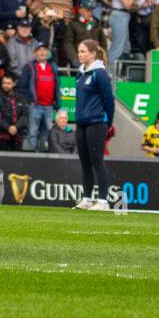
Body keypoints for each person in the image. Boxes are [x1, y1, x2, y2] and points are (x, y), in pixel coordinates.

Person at [72, 39, 115, 210]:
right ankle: (87, 198)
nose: (79, 54)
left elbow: (109, 101)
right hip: (82, 124)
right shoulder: (80, 74)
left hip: (97, 123)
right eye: (79, 51)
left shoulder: (100, 74)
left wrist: (108, 123)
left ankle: (103, 200)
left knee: (97, 161)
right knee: (85, 163)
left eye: (83, 51)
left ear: (92, 53)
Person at [20, 42, 63, 152]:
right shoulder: (29, 67)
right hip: (35, 106)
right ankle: (31, 158)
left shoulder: (52, 67)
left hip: (49, 107)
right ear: (35, 53)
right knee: (32, 133)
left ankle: (44, 156)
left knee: (47, 133)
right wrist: (29, 102)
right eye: (39, 50)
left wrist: (57, 105)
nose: (42, 52)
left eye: (44, 49)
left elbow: (57, 86)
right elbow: (22, 87)